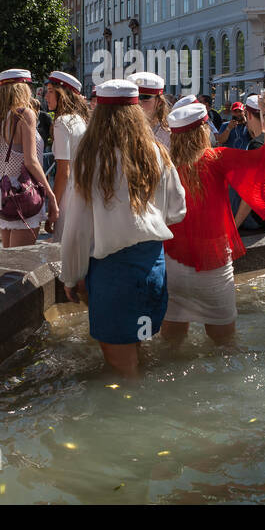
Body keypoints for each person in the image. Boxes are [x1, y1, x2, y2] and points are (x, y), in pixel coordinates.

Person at [58, 79, 186, 377]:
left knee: (122, 370)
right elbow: (177, 211)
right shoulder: (156, 152)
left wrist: (71, 274)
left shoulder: (90, 159)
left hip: (113, 274)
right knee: (141, 353)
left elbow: (76, 228)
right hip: (151, 268)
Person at [160, 95, 265, 345]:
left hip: (172, 264)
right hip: (213, 265)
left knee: (171, 344)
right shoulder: (216, 159)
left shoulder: (164, 165)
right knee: (224, 345)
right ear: (203, 129)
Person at [0, 69, 58, 247]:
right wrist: (51, 194)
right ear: (22, 88)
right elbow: (30, 161)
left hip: (0, 190)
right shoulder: (25, 114)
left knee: (8, 257)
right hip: (21, 191)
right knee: (20, 262)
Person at [44, 71, 89, 218]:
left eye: (50, 91)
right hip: (82, 194)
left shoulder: (61, 122)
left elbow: (63, 172)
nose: (46, 96)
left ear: (62, 94)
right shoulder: (79, 119)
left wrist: (53, 205)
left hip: (68, 197)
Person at [129, 72, 171, 146]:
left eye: (145, 98)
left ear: (159, 102)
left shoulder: (169, 135)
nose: (138, 104)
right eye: (134, 99)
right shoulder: (121, 131)